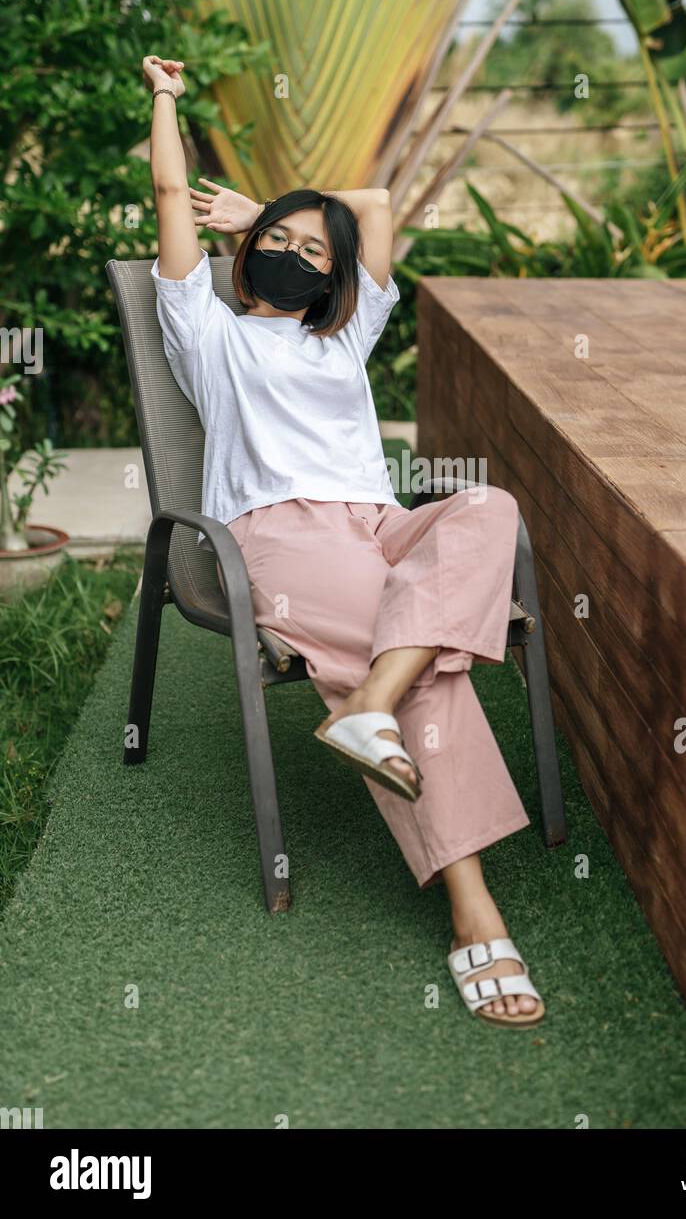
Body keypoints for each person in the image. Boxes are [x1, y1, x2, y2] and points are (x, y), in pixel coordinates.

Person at [142, 53, 545, 1027]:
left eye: (310, 249)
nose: (292, 250)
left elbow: (372, 202)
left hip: (378, 522)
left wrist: (271, 207)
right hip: (279, 534)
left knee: (489, 509)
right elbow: (166, 188)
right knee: (425, 662)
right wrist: (166, 101)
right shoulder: (208, 329)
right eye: (274, 238)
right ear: (238, 255)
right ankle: (471, 909)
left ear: (333, 281)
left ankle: (366, 704)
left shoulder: (344, 333)